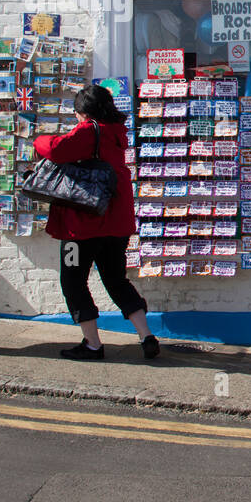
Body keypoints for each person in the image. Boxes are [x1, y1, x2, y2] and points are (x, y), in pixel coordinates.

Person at [33, 84, 159, 360]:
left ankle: (92, 344)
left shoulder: (88, 131)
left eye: (77, 113)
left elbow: (55, 149)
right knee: (116, 279)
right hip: (116, 226)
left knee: (72, 281)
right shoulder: (116, 134)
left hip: (81, 228)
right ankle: (146, 335)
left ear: (84, 112)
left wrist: (38, 139)